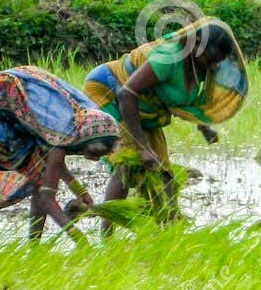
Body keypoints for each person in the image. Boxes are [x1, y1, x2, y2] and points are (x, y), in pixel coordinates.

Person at [0, 66, 118, 251]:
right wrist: (79, 238)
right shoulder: (64, 131)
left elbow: (54, 165)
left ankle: (33, 247)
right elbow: (49, 197)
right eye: (94, 153)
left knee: (40, 180)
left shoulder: (92, 122)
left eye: (100, 156)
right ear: (87, 139)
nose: (94, 160)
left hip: (26, 112)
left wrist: (80, 192)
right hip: (2, 99)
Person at [84, 15, 247, 211]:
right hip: (109, 91)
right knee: (129, 164)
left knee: (163, 172)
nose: (213, 65)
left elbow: (185, 102)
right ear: (195, 45)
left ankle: (168, 226)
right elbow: (128, 94)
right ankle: (107, 233)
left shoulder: (201, 67)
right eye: (210, 58)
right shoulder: (168, 58)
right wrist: (142, 147)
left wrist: (204, 127)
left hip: (143, 108)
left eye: (217, 62)